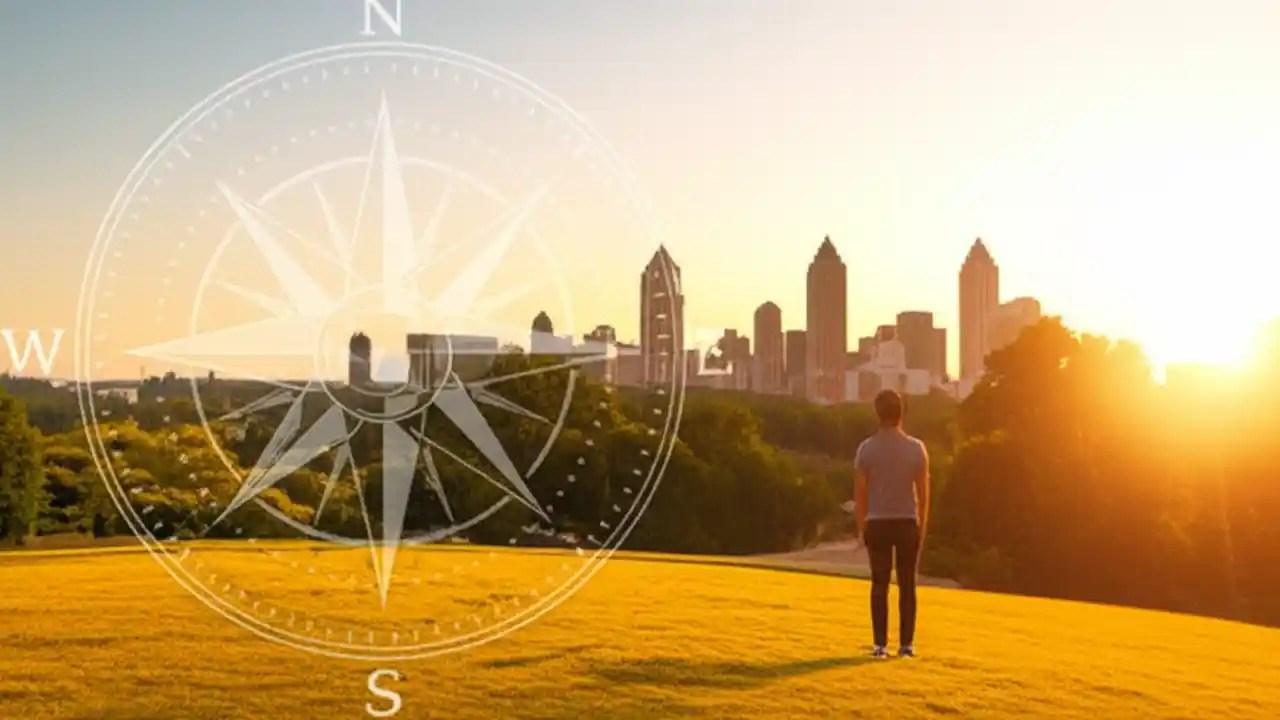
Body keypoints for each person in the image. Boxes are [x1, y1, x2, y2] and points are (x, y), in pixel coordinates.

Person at [854, 389, 930, 659]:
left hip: (877, 522)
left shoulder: (866, 449)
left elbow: (860, 494)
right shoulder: (916, 448)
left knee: (879, 584)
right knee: (907, 585)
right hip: (907, 522)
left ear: (877, 413)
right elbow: (923, 493)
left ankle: (879, 645)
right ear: (901, 413)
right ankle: (906, 645)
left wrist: (861, 526)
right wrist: (923, 526)